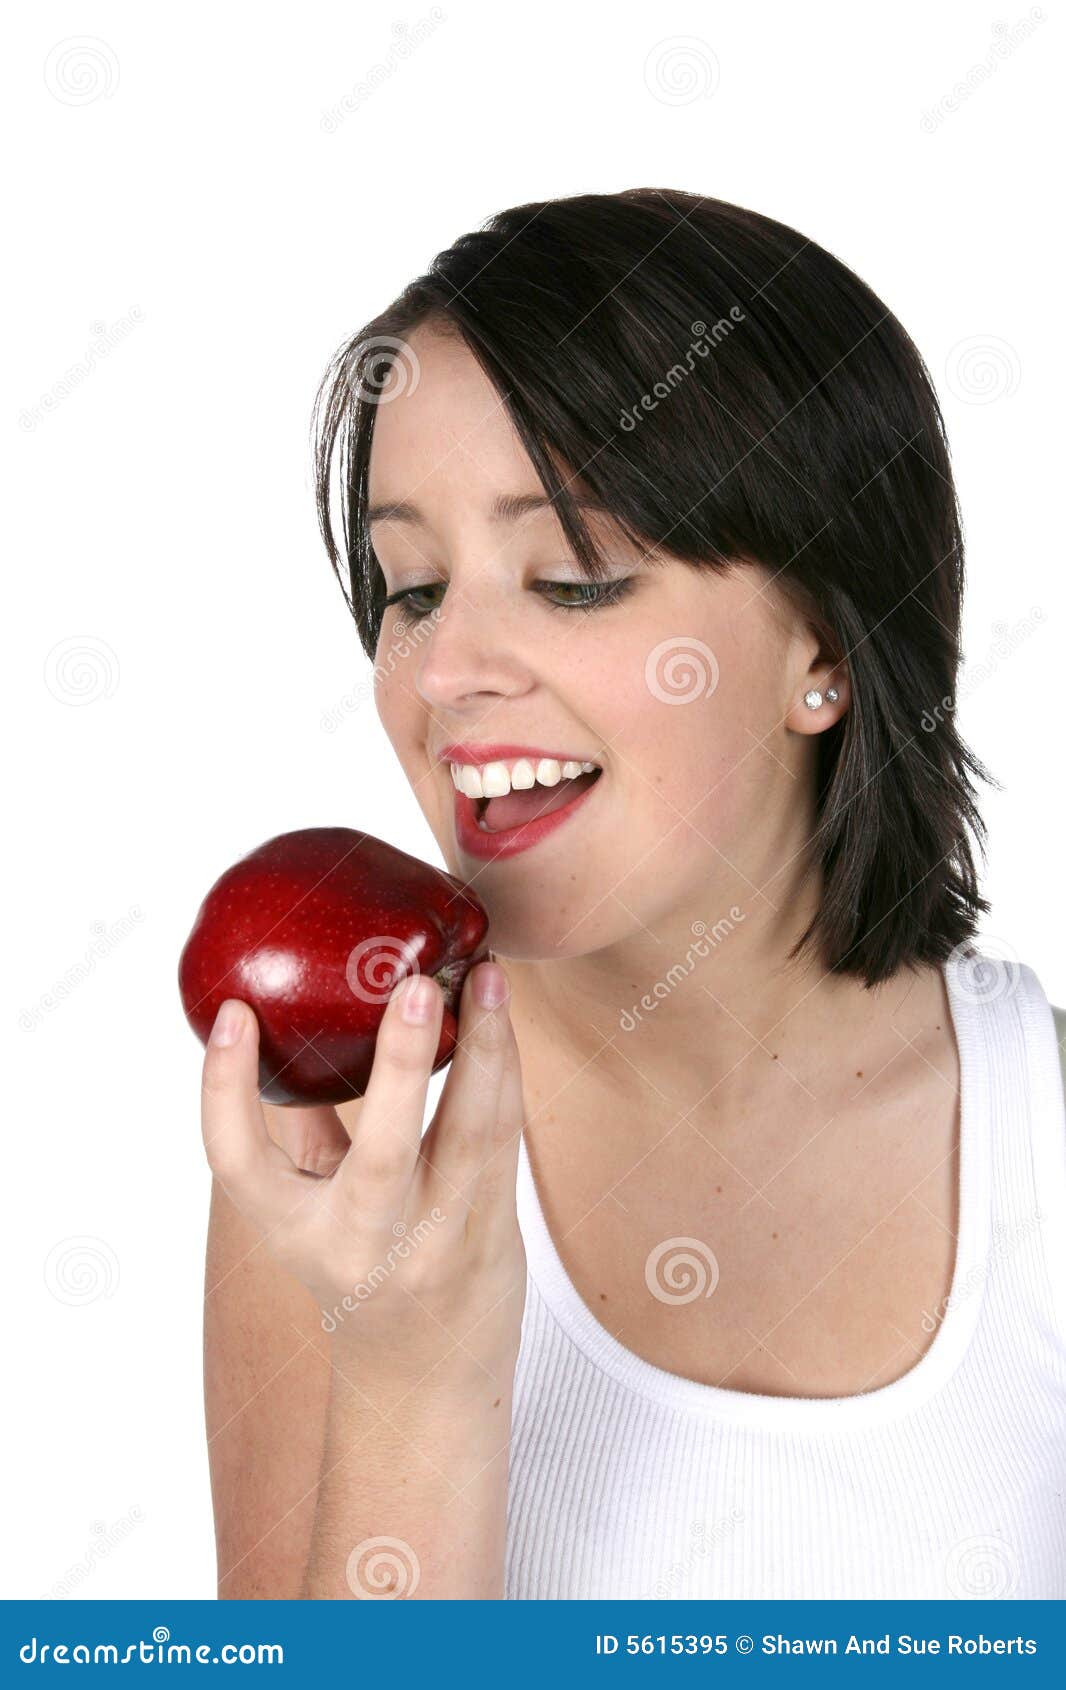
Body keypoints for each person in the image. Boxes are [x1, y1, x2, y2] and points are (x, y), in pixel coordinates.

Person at [199, 189, 1066, 1600]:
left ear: (823, 653)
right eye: (409, 587)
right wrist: (411, 1373)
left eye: (570, 576)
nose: (443, 668)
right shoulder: (337, 1163)